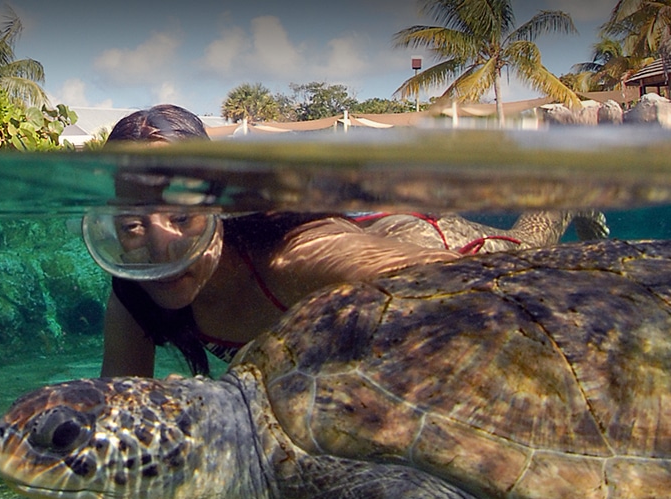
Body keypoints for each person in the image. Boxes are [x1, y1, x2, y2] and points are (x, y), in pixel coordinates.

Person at [91, 104, 605, 377]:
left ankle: (571, 185)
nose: (160, 251)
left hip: (409, 239)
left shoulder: (292, 258)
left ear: (217, 210)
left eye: (181, 219)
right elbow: (121, 404)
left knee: (527, 254)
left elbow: (471, 293)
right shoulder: (135, 293)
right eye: (133, 226)